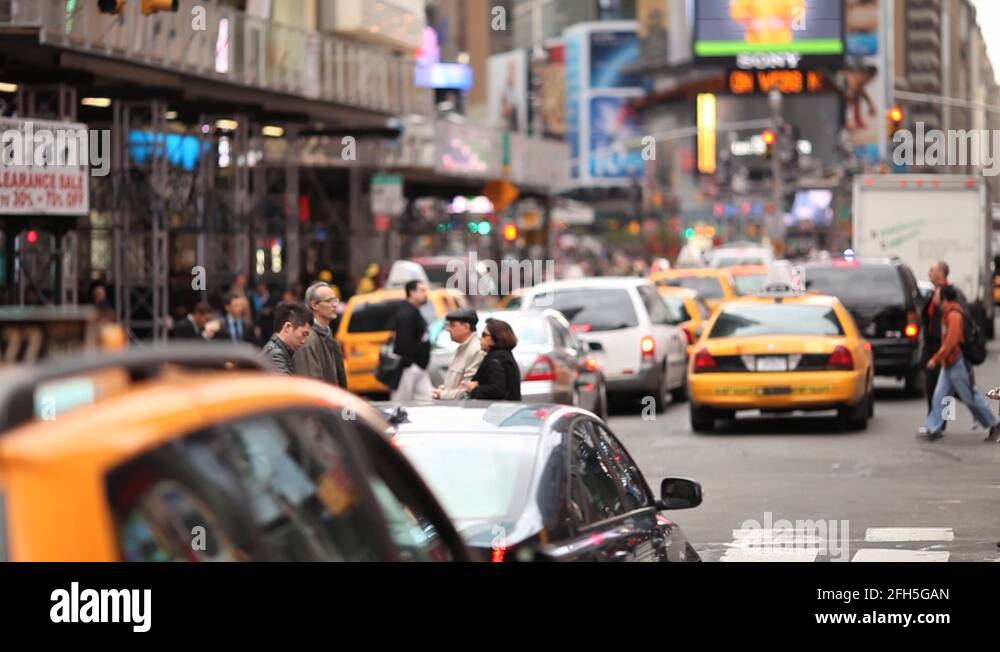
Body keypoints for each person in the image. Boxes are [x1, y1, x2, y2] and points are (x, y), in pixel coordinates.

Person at [919, 285, 1000, 442]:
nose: (934, 297)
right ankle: (933, 428)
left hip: (957, 363)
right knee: (939, 396)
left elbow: (951, 342)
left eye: (936, 295)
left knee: (970, 397)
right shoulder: (946, 313)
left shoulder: (954, 315)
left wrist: (935, 358)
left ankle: (994, 424)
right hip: (948, 364)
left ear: (943, 298)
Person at [920, 261, 970, 418]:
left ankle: (988, 417)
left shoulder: (952, 294)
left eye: (931, 270)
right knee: (934, 387)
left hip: (947, 349)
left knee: (961, 393)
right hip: (932, 347)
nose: (929, 273)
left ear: (941, 273)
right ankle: (935, 424)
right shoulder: (934, 293)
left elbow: (961, 321)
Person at [294, 282, 348, 387]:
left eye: (335, 300)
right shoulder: (307, 340)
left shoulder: (327, 335)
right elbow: (311, 387)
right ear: (314, 305)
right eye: (329, 301)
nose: (335, 305)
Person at [391, 280, 433, 401]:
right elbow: (402, 342)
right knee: (400, 404)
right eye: (422, 290)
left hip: (418, 367)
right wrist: (410, 363)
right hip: (409, 368)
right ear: (412, 292)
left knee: (427, 401)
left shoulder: (413, 311)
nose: (426, 294)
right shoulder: (406, 313)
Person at [432, 308, 486, 400]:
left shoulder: (476, 350)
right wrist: (442, 390)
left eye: (452, 325)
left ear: (466, 327)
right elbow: (455, 384)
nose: (448, 329)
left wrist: (443, 394)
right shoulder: (462, 348)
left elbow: (467, 390)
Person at [462, 318, 521, 401]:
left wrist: (474, 388)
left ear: (497, 338)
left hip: (498, 411)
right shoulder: (503, 356)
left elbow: (497, 389)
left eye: (484, 334)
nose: (480, 338)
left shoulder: (496, 360)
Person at [263, 302, 313, 375]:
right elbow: (286, 385)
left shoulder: (283, 351)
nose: (303, 341)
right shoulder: (275, 355)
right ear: (288, 327)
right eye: (304, 334)